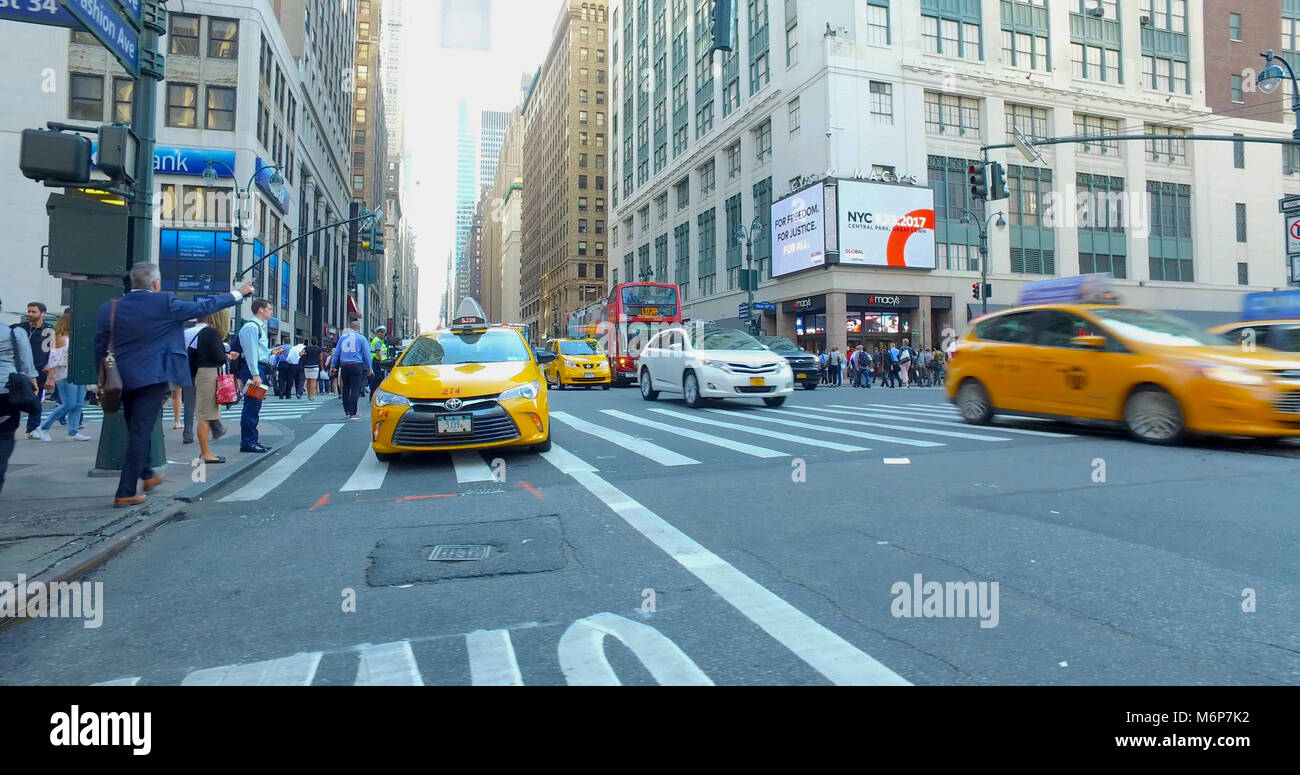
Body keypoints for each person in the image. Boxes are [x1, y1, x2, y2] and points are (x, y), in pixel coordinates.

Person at [93, 263, 254, 507]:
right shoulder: (165, 303)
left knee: (138, 429)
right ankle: (125, 491)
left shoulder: (110, 309)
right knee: (139, 432)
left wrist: (101, 378)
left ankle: (148, 475)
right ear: (156, 284)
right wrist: (239, 293)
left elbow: (98, 345)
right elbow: (205, 306)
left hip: (119, 380)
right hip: (152, 378)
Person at [1, 297, 38, 493]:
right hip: (6, 389)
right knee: (5, 435)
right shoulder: (14, 333)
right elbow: (25, 361)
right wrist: (32, 381)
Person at [236, 298, 282, 454]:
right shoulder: (251, 327)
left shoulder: (257, 327)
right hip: (253, 370)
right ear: (260, 309)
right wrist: (255, 374)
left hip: (257, 368)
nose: (271, 311)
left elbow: (257, 350)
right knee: (252, 406)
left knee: (254, 406)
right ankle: (248, 442)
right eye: (269, 308)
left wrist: (270, 351)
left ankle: (251, 440)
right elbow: (250, 353)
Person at [36, 312, 90, 442]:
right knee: (69, 403)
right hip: (65, 373)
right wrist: (52, 376)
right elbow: (55, 358)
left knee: (77, 404)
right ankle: (44, 426)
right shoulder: (62, 338)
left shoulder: (69, 337)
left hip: (74, 372)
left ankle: (73, 431)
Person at [193, 307, 236, 465]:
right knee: (205, 415)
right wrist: (227, 356)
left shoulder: (206, 332)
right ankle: (205, 453)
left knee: (208, 414)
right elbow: (217, 357)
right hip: (209, 375)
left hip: (206, 374)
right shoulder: (212, 333)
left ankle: (206, 452)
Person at [12, 301, 53, 438]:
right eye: (29, 311)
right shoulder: (20, 328)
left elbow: (52, 351)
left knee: (36, 399)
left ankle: (33, 427)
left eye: (33, 311)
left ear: (42, 313)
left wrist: (50, 371)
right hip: (20, 370)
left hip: (40, 370)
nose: (30, 314)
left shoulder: (49, 330)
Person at [334, 321, 372, 420]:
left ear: (350, 328)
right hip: (356, 365)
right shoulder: (362, 338)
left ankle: (346, 410)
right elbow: (367, 355)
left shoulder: (342, 338)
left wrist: (333, 366)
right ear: (358, 328)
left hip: (344, 365)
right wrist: (369, 368)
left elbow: (336, 353)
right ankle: (353, 412)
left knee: (345, 388)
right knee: (355, 388)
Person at [369, 325, 389, 396]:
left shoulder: (380, 341)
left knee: (378, 379)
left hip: (378, 362)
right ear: (377, 333)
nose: (382, 334)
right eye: (380, 332)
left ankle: (373, 395)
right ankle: (374, 395)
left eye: (383, 332)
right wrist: (382, 361)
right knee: (378, 380)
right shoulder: (377, 341)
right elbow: (378, 352)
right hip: (378, 362)